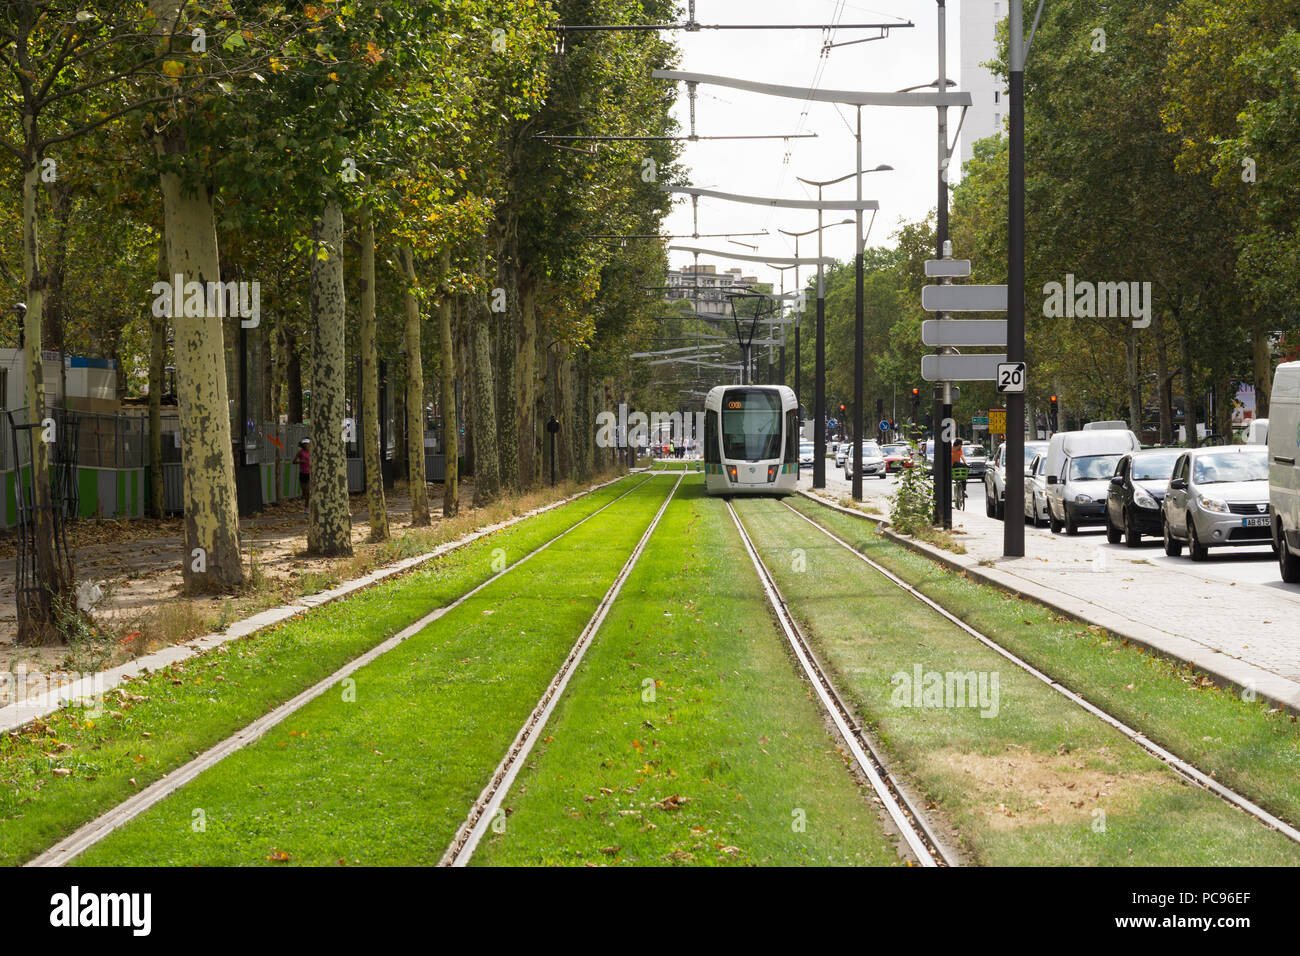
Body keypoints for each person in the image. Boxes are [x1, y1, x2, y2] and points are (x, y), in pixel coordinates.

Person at [293, 438, 311, 515]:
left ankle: (307, 508)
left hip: (310, 474)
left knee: (308, 492)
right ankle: (306, 503)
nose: (308, 445)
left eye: (309, 444)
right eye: (306, 444)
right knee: (304, 493)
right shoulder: (300, 452)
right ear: (303, 445)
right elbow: (293, 461)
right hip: (302, 474)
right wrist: (301, 461)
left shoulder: (312, 452)